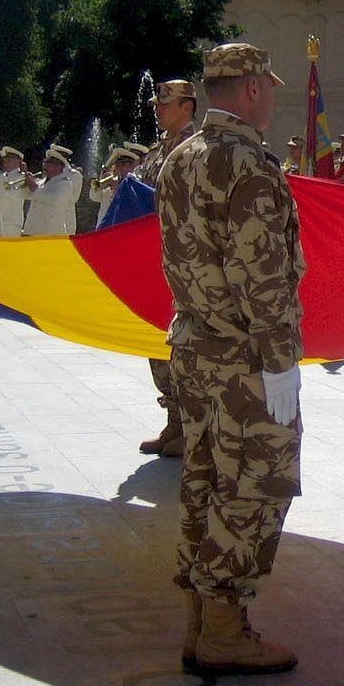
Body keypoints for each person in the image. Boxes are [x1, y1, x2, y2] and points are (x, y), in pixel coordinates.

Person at [159, 43, 305, 674]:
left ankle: (199, 623)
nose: (273, 96)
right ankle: (225, 626)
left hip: (195, 351)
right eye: (268, 86)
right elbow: (262, 276)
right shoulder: (248, 164)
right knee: (254, 487)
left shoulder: (180, 159)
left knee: (202, 481)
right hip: (247, 361)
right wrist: (281, 363)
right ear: (249, 89)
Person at [136, 77, 199, 457]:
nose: (158, 111)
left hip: (184, 263)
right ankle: (173, 419)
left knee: (183, 347)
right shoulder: (159, 150)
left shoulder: (195, 150)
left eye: (165, 105)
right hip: (153, 261)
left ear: (187, 107)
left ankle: (191, 427)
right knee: (154, 343)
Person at [22, 147, 79, 235]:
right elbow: (26, 195)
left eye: (49, 164)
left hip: (50, 230)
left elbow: (54, 200)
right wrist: (26, 183)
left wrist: (34, 187)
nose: (45, 167)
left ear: (59, 166)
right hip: (33, 229)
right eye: (45, 163)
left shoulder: (65, 183)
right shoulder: (41, 182)